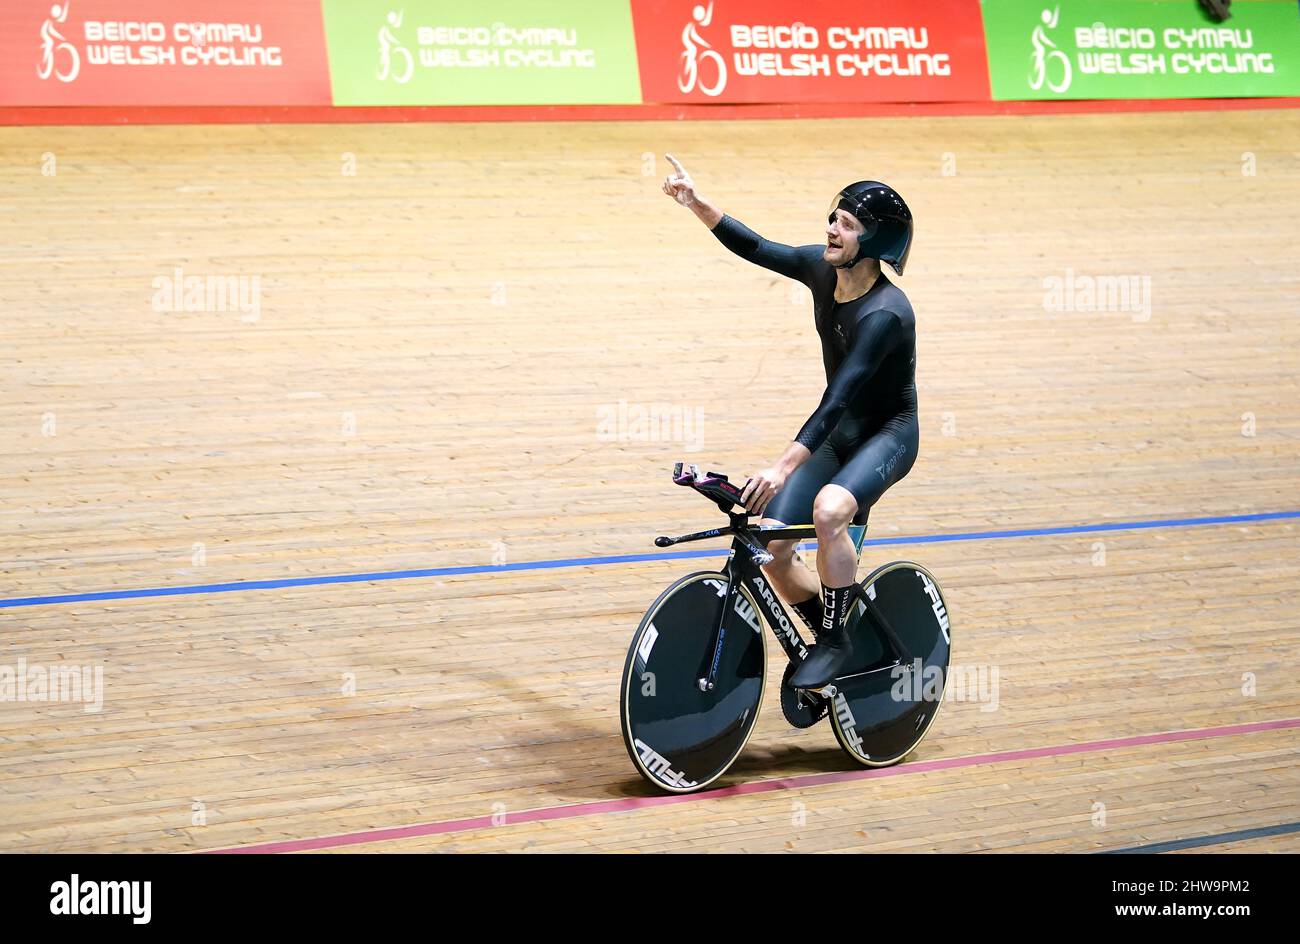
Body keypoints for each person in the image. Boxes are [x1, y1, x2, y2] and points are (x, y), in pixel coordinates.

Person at [661, 153, 919, 690]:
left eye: (847, 225)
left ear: (872, 244)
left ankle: (836, 642)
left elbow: (839, 397)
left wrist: (780, 468)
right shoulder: (823, 272)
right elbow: (757, 248)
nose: (832, 228)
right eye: (834, 217)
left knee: (829, 511)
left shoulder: (886, 314)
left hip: (886, 435)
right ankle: (833, 632)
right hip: (838, 434)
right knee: (774, 550)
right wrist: (697, 204)